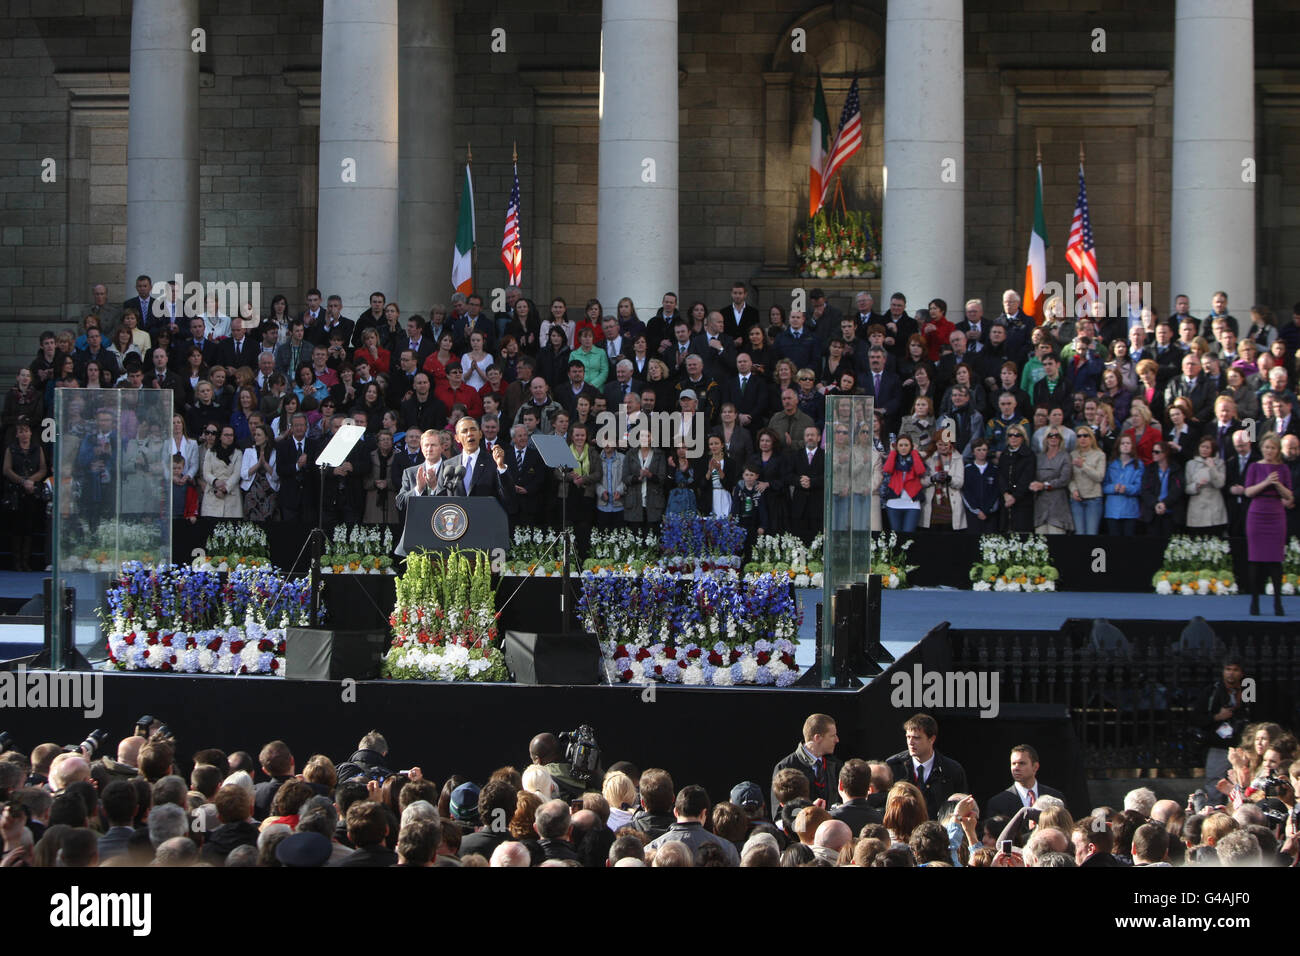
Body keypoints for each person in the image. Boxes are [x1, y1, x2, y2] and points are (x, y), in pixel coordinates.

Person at [1244, 432, 1294, 616]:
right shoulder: (1254, 467)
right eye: (1266, 447)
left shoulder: (1283, 469)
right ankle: (1254, 601)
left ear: (1278, 450)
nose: (1269, 451)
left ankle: (1278, 603)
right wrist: (1266, 482)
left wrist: (1277, 484)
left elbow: (1289, 495)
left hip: (1276, 514)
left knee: (1275, 560)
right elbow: (1248, 492)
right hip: (1257, 512)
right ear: (1262, 448)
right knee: (1255, 560)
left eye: (1272, 448)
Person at [885, 714, 969, 820]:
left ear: (932, 739)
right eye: (908, 737)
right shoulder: (894, 766)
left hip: (938, 831)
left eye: (916, 738)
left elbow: (963, 805)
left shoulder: (952, 770)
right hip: (902, 829)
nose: (910, 742)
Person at [770, 715, 842, 819]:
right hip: (799, 833)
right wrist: (808, 813)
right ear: (817, 738)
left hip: (830, 832)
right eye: (833, 736)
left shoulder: (835, 766)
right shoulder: (785, 767)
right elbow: (778, 817)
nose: (837, 740)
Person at [3, 418, 47, 571]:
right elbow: (7, 469)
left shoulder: (37, 449)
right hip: (15, 493)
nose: (24, 434)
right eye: (21, 431)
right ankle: (17, 561)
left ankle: (26, 561)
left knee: (29, 527)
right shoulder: (11, 449)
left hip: (31, 492)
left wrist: (31, 481)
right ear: (17, 434)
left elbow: (42, 469)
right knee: (16, 528)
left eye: (26, 431)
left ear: (30, 433)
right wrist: (22, 481)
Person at [984, 745, 1066, 818]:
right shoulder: (998, 803)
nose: (1016, 768)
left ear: (1035, 767)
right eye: (1013, 763)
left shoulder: (1055, 797)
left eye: (1021, 763)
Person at [621, 430, 667, 533]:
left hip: (654, 502)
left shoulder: (659, 454)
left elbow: (662, 478)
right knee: (636, 538)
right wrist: (638, 478)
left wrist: (650, 475)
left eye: (648, 436)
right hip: (634, 502)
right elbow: (624, 477)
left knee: (652, 537)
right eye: (642, 436)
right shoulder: (630, 454)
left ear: (652, 438)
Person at [1030, 428, 1073, 534]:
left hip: (1058, 503)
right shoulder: (1039, 457)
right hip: (1040, 504)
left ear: (1060, 439)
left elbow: (1064, 479)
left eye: (1056, 436)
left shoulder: (1065, 456)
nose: (1053, 438)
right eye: (1050, 436)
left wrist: (1044, 485)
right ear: (1046, 439)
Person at [1102, 433, 1144, 536]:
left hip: (1130, 510)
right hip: (1112, 510)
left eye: (1128, 443)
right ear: (1118, 446)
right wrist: (1113, 488)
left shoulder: (1138, 464)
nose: (1125, 445)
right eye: (1123, 443)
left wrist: (1127, 489)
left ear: (1132, 446)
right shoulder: (1111, 463)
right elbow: (1104, 486)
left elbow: (1140, 487)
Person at [1184, 435, 1227, 534]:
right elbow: (1186, 487)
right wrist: (1196, 486)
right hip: (1197, 505)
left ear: (1212, 449)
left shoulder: (1220, 463)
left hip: (1214, 505)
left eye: (1207, 447)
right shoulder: (1190, 464)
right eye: (1202, 446)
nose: (1204, 449)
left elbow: (1220, 483)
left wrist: (1212, 467)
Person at [920, 435, 964, 531]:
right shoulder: (928, 457)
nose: (943, 447)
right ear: (935, 444)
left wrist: (948, 478)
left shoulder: (958, 458)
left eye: (946, 445)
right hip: (933, 503)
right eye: (940, 444)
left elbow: (960, 482)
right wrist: (932, 479)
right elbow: (921, 482)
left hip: (950, 503)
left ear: (951, 444)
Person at [1068, 426, 1106, 534]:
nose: (1082, 438)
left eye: (1085, 435)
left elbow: (1099, 476)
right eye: (1079, 436)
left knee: (1091, 533)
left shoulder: (1099, 454)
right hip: (1077, 500)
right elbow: (1070, 477)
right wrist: (1073, 490)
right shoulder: (1072, 454)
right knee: (1079, 533)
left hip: (1093, 499)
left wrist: (1083, 466)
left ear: (1091, 438)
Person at [997, 425, 1035, 532]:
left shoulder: (1029, 455)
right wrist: (1005, 493)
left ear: (1023, 438)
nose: (1013, 438)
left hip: (1022, 501)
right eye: (1010, 435)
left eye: (1017, 435)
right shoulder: (1004, 454)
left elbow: (1026, 478)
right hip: (1005, 500)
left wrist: (1014, 497)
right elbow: (1000, 476)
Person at [239, 424, 279, 521]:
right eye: (255, 435)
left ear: (267, 437)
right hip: (252, 491)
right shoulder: (249, 451)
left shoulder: (275, 453)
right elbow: (243, 474)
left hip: (269, 490)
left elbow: (276, 476)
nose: (255, 437)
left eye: (259, 435)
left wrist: (265, 464)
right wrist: (258, 465)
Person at [201, 425, 243, 517]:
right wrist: (215, 481)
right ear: (220, 436)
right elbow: (206, 472)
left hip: (231, 494)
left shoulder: (238, 453)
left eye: (231, 435)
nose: (229, 437)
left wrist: (225, 489)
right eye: (226, 435)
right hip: (213, 492)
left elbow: (236, 474)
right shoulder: (210, 452)